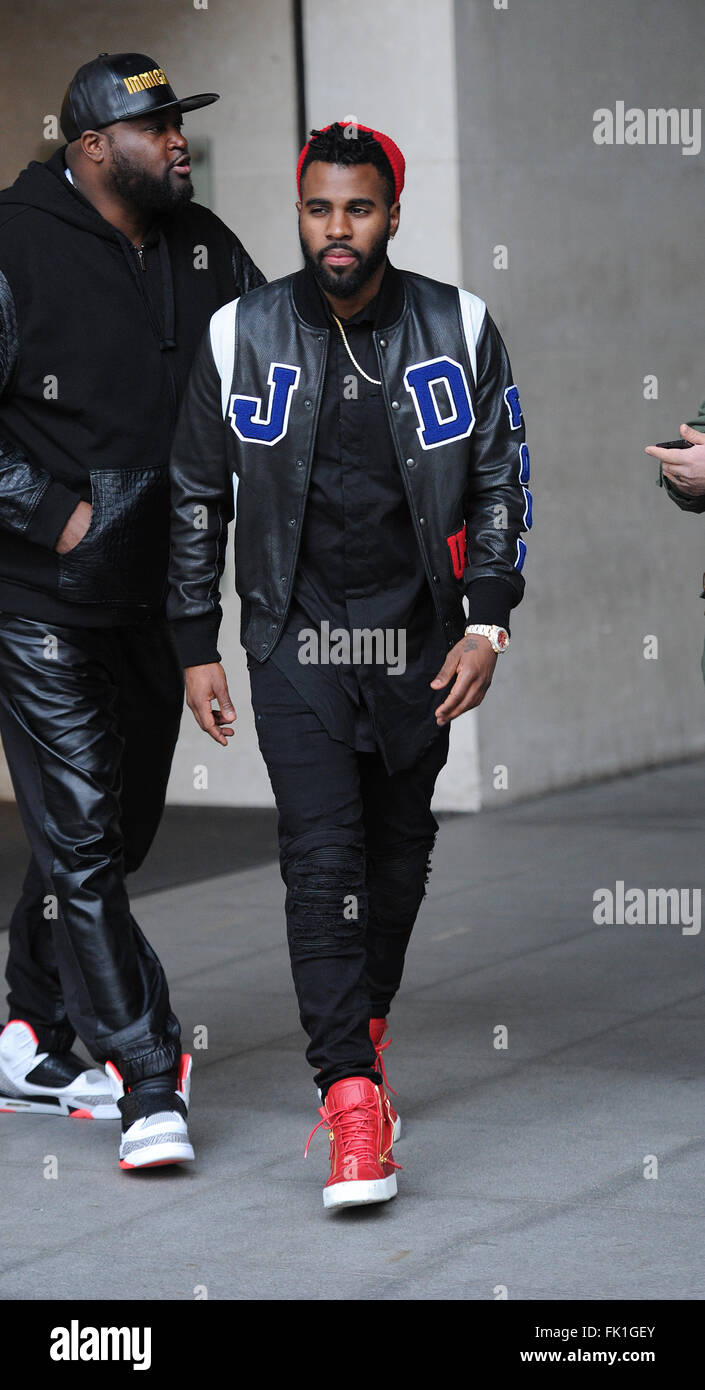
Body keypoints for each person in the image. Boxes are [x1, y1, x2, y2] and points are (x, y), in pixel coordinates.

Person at [167, 121, 531, 1208]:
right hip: (295, 638)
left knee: (399, 854)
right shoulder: (243, 331)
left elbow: (501, 482)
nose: (338, 229)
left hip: (419, 637)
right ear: (301, 209)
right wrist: (196, 640)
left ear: (393, 211)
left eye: (359, 208)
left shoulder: (458, 325)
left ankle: (358, 1027)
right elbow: (195, 492)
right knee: (322, 856)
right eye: (320, 208)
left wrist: (488, 621)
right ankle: (353, 1103)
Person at [0, 52, 264, 1170]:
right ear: (91, 146)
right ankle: (147, 1074)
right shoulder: (12, 242)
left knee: (111, 831)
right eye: (154, 125)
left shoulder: (202, 245)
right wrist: (49, 509)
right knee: (82, 837)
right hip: (39, 594)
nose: (176, 140)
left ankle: (26, 1027)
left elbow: (276, 357)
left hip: (160, 598)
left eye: (178, 122)